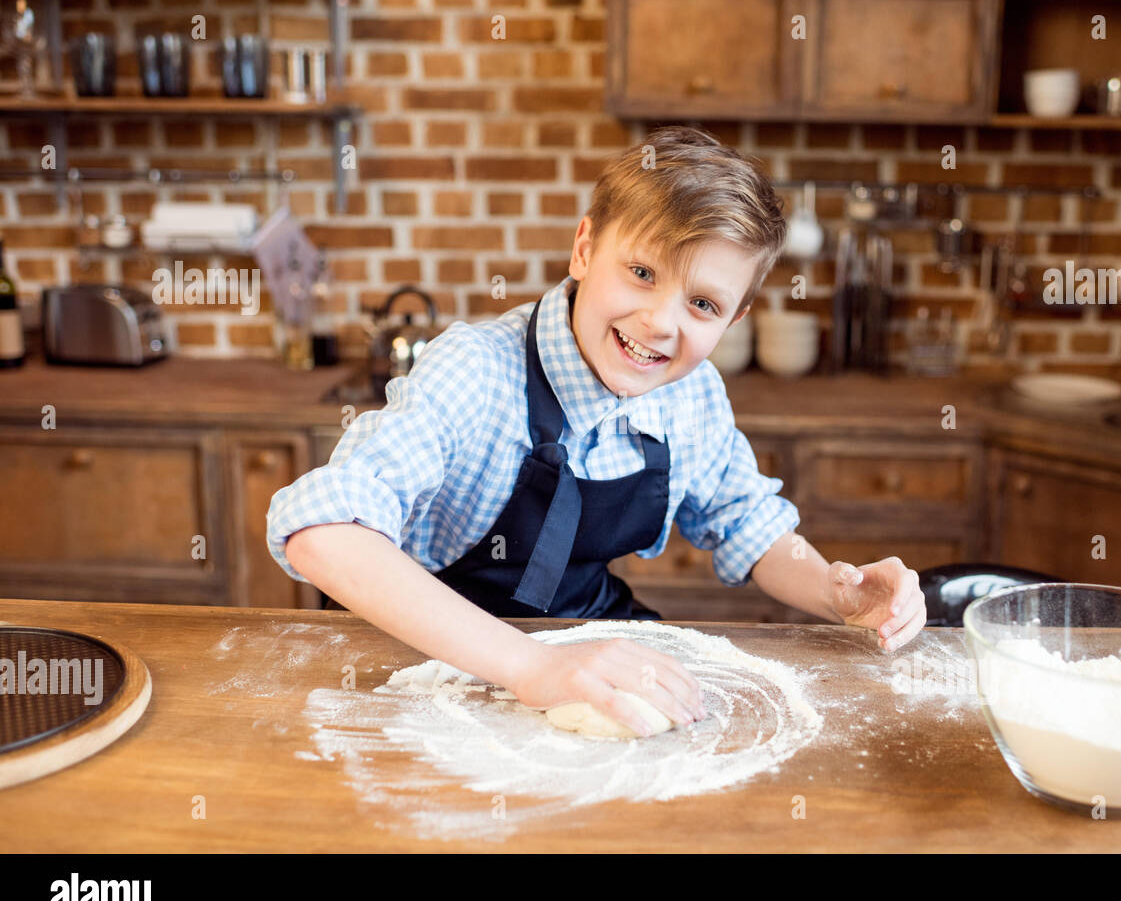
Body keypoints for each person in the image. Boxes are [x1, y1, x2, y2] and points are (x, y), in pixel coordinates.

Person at [267, 126, 926, 736]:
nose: (660, 324)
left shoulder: (691, 395)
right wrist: (530, 667)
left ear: (734, 318)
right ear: (584, 248)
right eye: (642, 273)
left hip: (582, 637)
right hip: (420, 657)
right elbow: (323, 534)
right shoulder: (476, 372)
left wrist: (840, 593)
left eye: (702, 304)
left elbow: (747, 521)